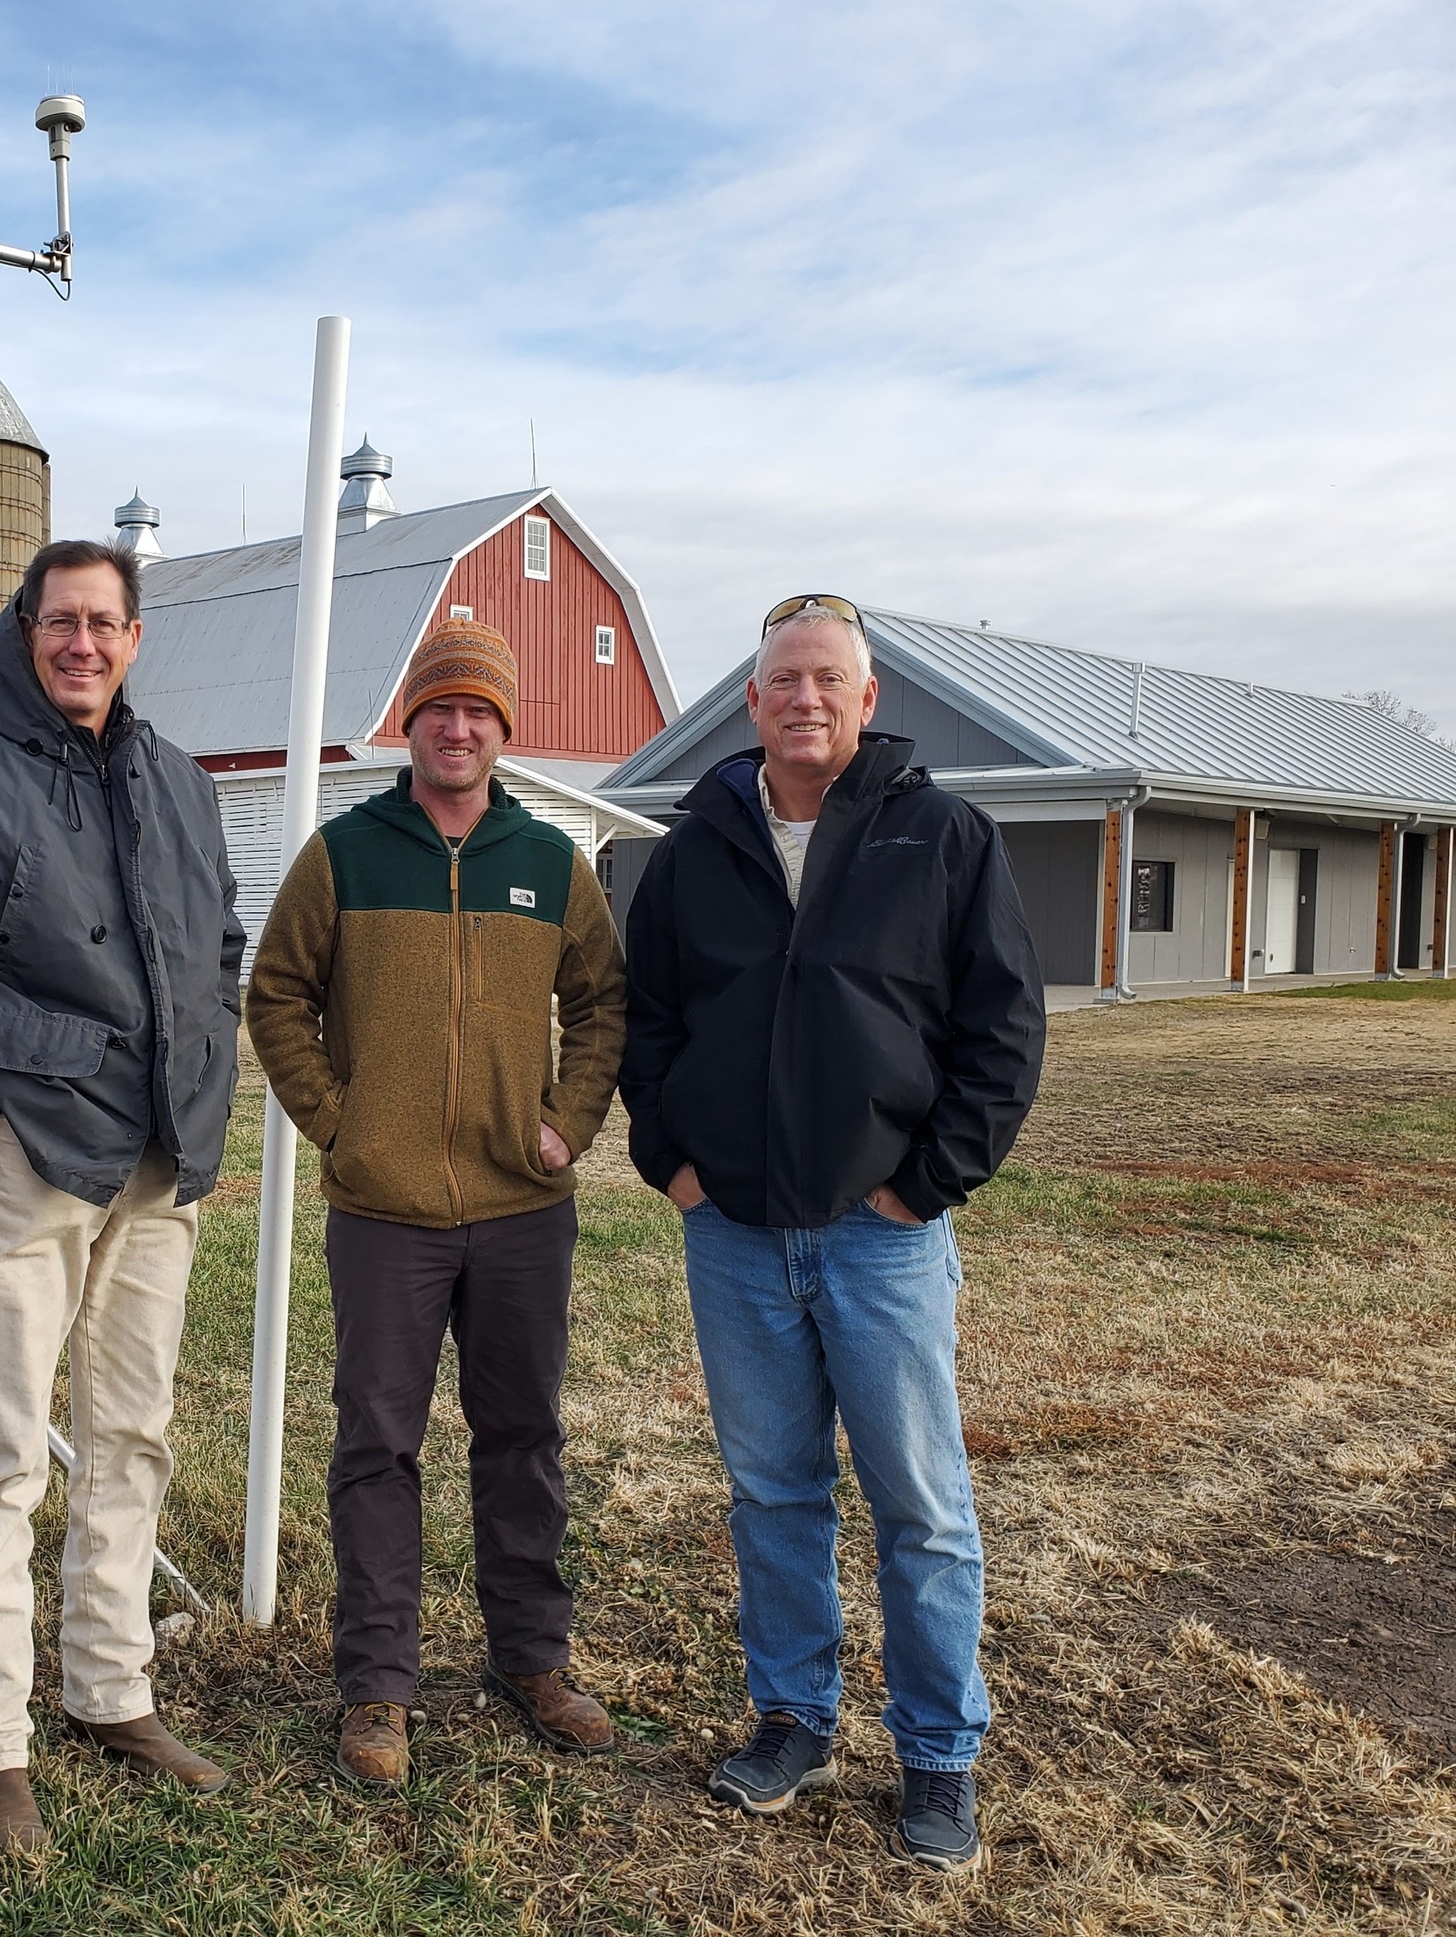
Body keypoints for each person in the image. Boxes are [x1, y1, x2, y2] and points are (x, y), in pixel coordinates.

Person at [618, 593, 1044, 1877]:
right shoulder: (694, 848)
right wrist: (676, 1167)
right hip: (735, 1234)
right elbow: (647, 1022)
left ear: (868, 703)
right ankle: (794, 1716)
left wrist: (924, 1188)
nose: (803, 697)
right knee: (773, 1493)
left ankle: (937, 1755)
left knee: (920, 1505)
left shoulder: (944, 837)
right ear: (751, 704)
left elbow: (1002, 1031)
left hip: (882, 1239)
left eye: (828, 680)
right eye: (781, 679)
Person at [0, 537, 245, 1853]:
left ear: (134, 639)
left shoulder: (177, 783)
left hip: (161, 1159)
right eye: (59, 621)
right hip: (35, 1151)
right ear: (26, 633)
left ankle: (111, 1688)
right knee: (4, 1453)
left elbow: (217, 946)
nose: (83, 643)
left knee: (132, 1436)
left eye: (105, 624)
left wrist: (205, 1067)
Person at [245, 615, 629, 1787]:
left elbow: (604, 1002)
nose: (457, 728)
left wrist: (567, 1121)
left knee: (522, 1436)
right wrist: (343, 1125)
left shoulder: (552, 861)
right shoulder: (343, 854)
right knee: (378, 1447)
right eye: (438, 707)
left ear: (503, 730)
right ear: (408, 721)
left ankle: (531, 1659)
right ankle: (377, 1688)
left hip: (522, 1207)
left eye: (479, 711)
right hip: (386, 1212)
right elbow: (276, 998)